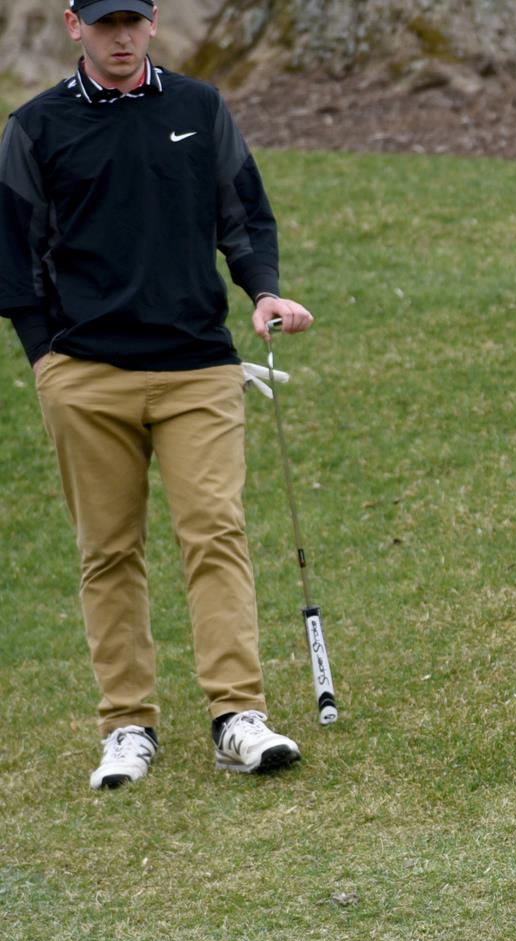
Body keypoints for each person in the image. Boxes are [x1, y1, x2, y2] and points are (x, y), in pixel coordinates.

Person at [1, 0, 315, 790]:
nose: (120, 38)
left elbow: (242, 216)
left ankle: (237, 717)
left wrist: (264, 293)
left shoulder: (198, 107)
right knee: (108, 550)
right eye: (103, 23)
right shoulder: (35, 127)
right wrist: (48, 363)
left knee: (215, 531)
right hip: (86, 376)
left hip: (197, 368)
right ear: (74, 25)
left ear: (152, 23)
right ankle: (127, 726)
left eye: (132, 21)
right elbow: (14, 256)